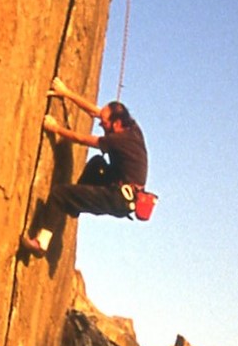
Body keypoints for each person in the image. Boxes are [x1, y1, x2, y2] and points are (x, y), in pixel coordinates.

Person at [20, 77, 149, 257]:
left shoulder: (117, 140)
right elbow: (96, 112)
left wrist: (55, 128)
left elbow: (82, 139)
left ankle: (41, 242)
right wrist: (66, 93)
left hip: (118, 198)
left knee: (60, 194)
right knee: (97, 163)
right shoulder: (132, 128)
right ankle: (75, 204)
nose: (100, 123)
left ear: (117, 123)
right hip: (122, 190)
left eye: (104, 123)